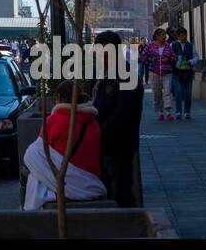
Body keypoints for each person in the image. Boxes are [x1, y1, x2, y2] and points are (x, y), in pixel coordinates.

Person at [22, 81, 106, 210]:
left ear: (59, 98)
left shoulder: (54, 121)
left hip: (66, 185)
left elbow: (35, 155)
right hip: (92, 182)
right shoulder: (94, 124)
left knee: (33, 162)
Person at [92, 31, 144, 207]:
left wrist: (98, 132)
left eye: (103, 54)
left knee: (121, 194)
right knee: (107, 193)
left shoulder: (126, 76)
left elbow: (122, 115)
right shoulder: (102, 74)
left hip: (118, 146)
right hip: (103, 146)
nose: (99, 58)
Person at [140, 28, 178, 121]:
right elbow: (143, 56)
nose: (165, 37)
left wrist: (168, 59)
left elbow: (174, 57)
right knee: (157, 93)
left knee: (167, 91)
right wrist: (150, 60)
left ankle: (168, 113)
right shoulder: (150, 47)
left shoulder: (168, 46)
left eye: (165, 35)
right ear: (157, 36)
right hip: (155, 73)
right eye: (162, 35)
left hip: (167, 72)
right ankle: (161, 113)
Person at [170, 28, 199, 120]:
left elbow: (197, 57)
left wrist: (190, 61)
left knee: (188, 93)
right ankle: (178, 112)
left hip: (188, 73)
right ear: (178, 36)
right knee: (178, 92)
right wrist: (174, 62)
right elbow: (170, 56)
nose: (185, 37)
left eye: (185, 35)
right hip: (176, 73)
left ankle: (187, 111)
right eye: (182, 35)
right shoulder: (173, 45)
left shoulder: (191, 45)